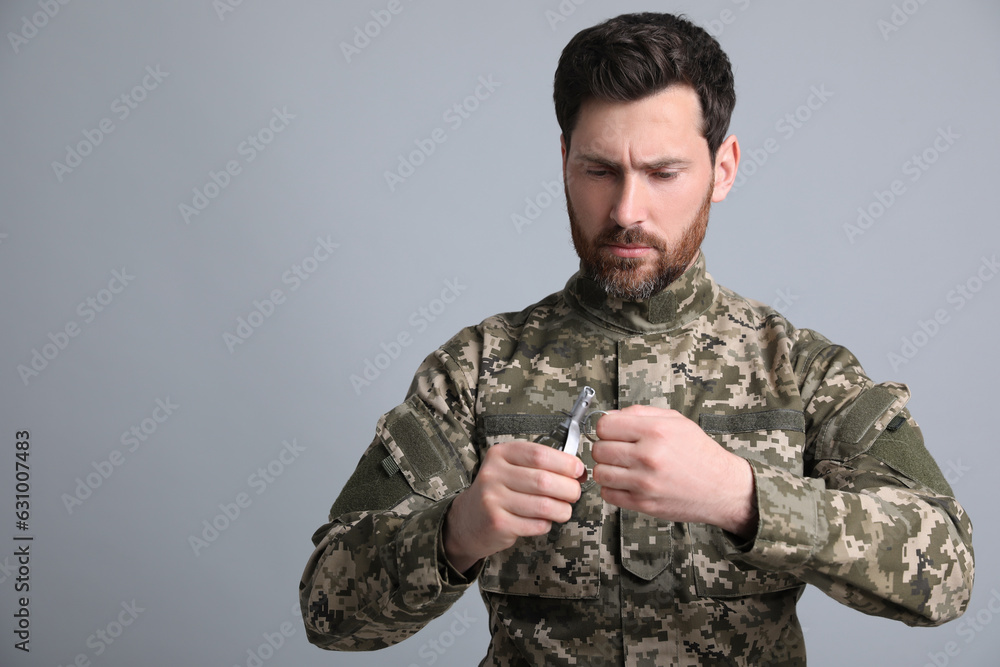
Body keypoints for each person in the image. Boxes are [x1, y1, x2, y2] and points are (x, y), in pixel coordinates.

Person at [299, 12, 974, 666]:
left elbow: (947, 572)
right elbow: (326, 607)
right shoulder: (476, 369)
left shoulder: (803, 371)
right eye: (600, 170)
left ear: (723, 169)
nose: (626, 211)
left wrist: (743, 496)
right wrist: (456, 532)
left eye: (663, 173)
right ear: (564, 162)